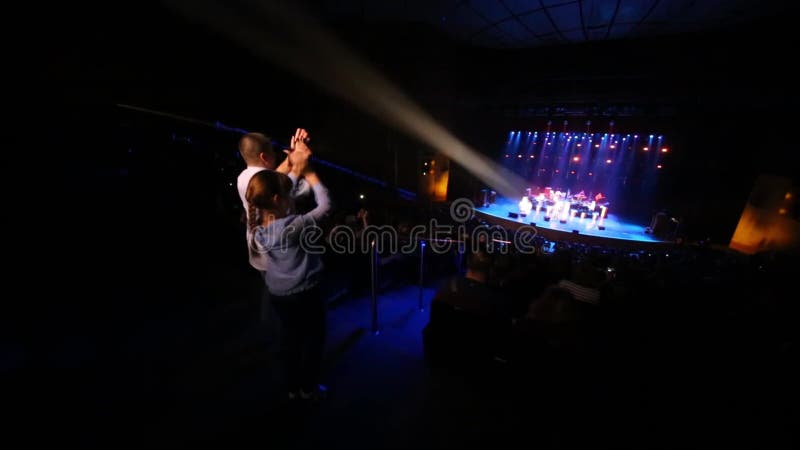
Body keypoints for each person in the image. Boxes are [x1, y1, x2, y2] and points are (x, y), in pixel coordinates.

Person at [246, 142, 331, 400]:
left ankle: (293, 388)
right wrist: (311, 174)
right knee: (314, 337)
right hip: (305, 292)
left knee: (290, 338)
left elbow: (280, 191)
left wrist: (295, 165)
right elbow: (325, 207)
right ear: (277, 199)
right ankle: (308, 387)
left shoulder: (256, 228)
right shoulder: (294, 225)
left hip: (279, 294)